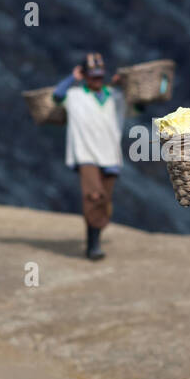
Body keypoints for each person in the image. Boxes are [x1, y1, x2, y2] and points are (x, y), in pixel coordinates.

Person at [52, 52, 126, 260]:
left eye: (99, 76)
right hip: (85, 154)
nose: (96, 80)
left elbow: (139, 104)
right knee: (93, 196)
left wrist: (123, 84)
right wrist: (72, 78)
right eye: (92, 76)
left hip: (110, 155)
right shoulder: (74, 96)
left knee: (104, 201)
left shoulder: (115, 96)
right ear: (84, 75)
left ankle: (94, 240)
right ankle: (93, 247)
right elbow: (57, 95)